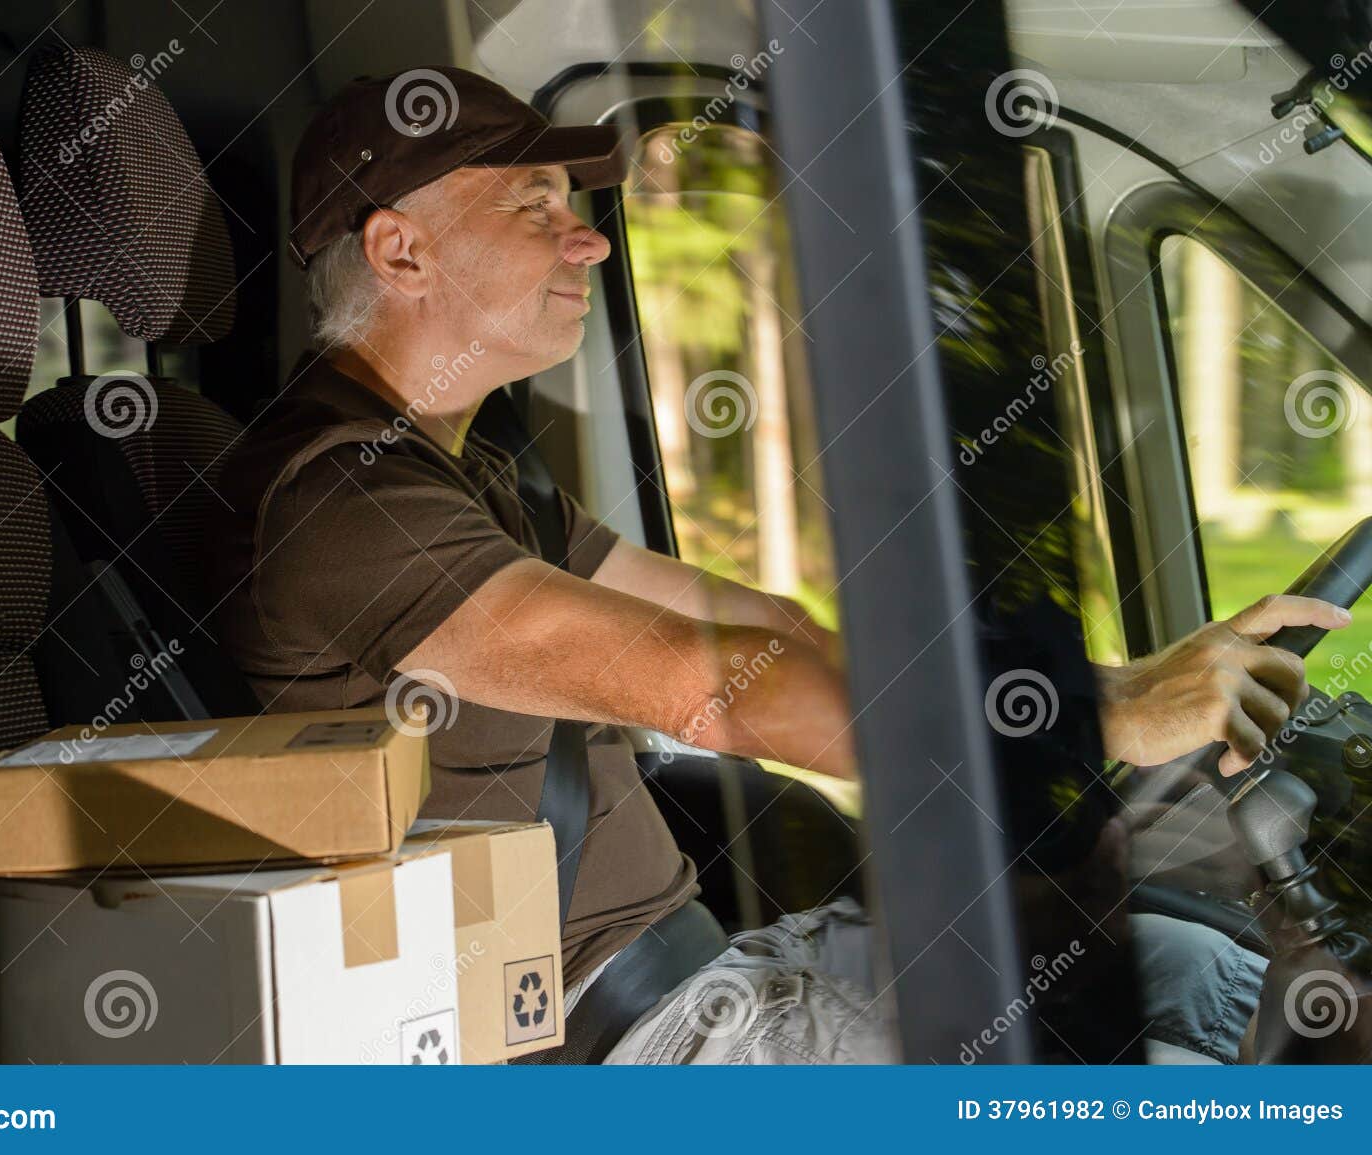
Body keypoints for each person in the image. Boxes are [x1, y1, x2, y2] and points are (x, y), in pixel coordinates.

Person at [207, 66, 1350, 1063]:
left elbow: (766, 625)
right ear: (399, 250)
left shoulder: (461, 468)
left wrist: (1107, 688)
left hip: (698, 973)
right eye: (533, 206)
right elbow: (714, 684)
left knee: (1191, 973)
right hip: (609, 1050)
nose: (590, 236)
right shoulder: (344, 504)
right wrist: (1084, 732)